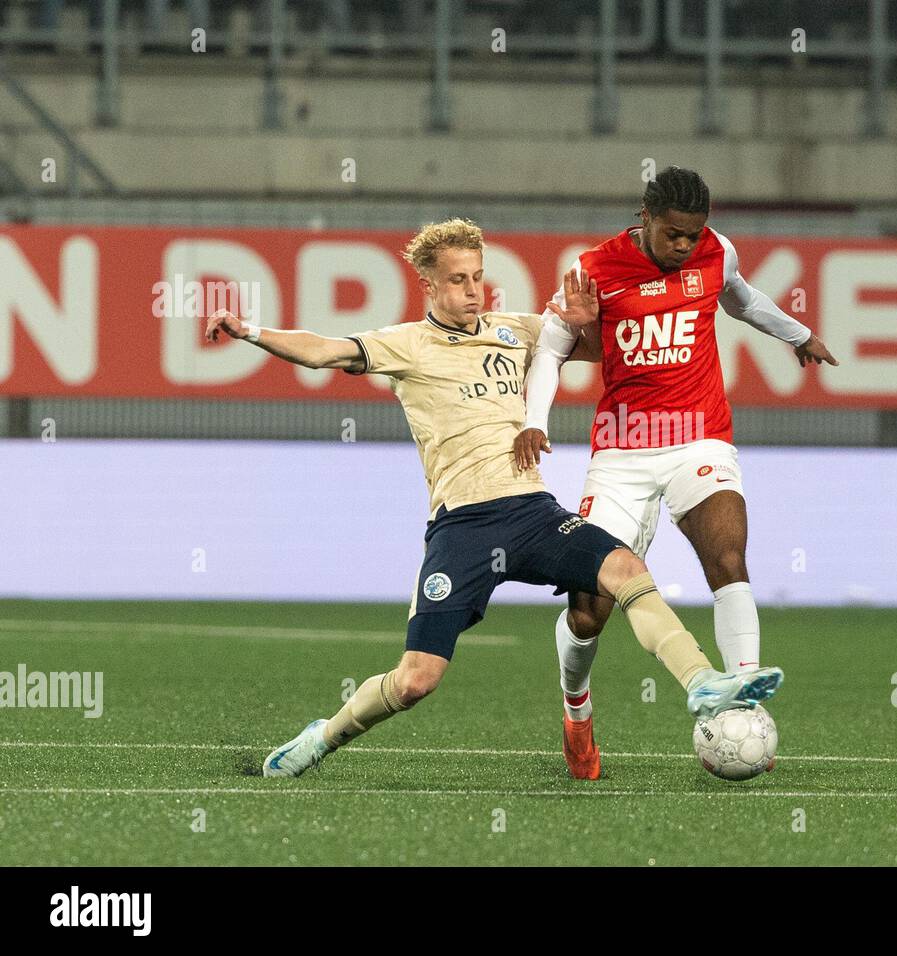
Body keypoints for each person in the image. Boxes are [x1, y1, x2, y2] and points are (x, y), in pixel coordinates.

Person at [201, 217, 783, 779]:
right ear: (428, 284)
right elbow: (324, 350)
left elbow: (605, 352)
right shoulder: (406, 344)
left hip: (531, 512)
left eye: (478, 275)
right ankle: (322, 737)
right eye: (458, 279)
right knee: (416, 680)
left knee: (627, 568)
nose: (473, 289)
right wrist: (250, 331)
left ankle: (702, 683)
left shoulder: (515, 330)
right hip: (464, 528)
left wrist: (584, 325)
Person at [514, 166, 836, 778]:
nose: (685, 247)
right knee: (590, 610)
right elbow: (553, 348)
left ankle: (742, 701)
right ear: (645, 218)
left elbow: (739, 297)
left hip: (699, 440)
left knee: (728, 556)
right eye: (673, 235)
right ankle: (576, 712)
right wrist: (536, 420)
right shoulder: (595, 269)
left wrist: (798, 334)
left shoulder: (717, 252)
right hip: (622, 454)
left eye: (694, 235)